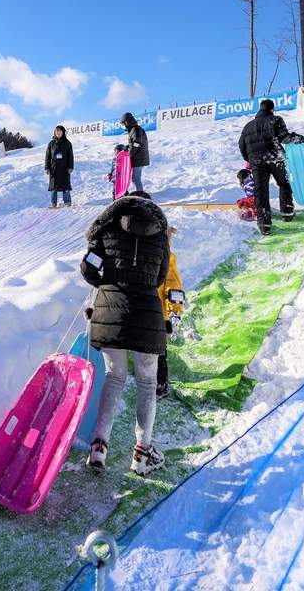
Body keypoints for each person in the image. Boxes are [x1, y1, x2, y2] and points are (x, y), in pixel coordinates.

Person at [80, 190, 171, 475]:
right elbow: (159, 278)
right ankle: (143, 453)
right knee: (147, 383)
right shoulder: (160, 237)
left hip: (110, 313)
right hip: (146, 316)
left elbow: (88, 267)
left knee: (114, 377)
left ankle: (98, 448)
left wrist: (107, 283)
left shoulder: (107, 230)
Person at [237, 99, 304, 235]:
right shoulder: (276, 120)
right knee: (284, 184)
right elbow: (284, 138)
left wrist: (249, 158)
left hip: (257, 161)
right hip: (275, 158)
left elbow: (241, 145)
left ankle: (264, 224)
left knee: (261, 192)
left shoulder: (247, 126)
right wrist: (297, 138)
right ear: (272, 109)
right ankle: (287, 213)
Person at [156, 226, 186, 399]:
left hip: (158, 314)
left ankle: (161, 385)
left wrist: (175, 310)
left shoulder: (165, 256)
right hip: (139, 311)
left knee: (158, 350)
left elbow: (173, 284)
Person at [119, 112, 150, 192]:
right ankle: (139, 194)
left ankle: (140, 196)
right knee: (135, 179)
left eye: (123, 124)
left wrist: (130, 154)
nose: (123, 126)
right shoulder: (134, 129)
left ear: (126, 122)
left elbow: (137, 143)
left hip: (138, 158)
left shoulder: (135, 129)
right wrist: (128, 146)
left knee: (136, 179)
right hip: (138, 157)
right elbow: (135, 143)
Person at [44, 125, 74, 208]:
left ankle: (67, 202)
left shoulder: (68, 143)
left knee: (66, 186)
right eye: (57, 131)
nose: (58, 132)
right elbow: (47, 156)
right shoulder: (51, 144)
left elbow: (70, 156)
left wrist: (70, 167)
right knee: (53, 187)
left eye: (60, 131)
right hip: (54, 169)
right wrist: (47, 167)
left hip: (64, 169)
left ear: (63, 132)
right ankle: (53, 203)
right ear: (54, 132)